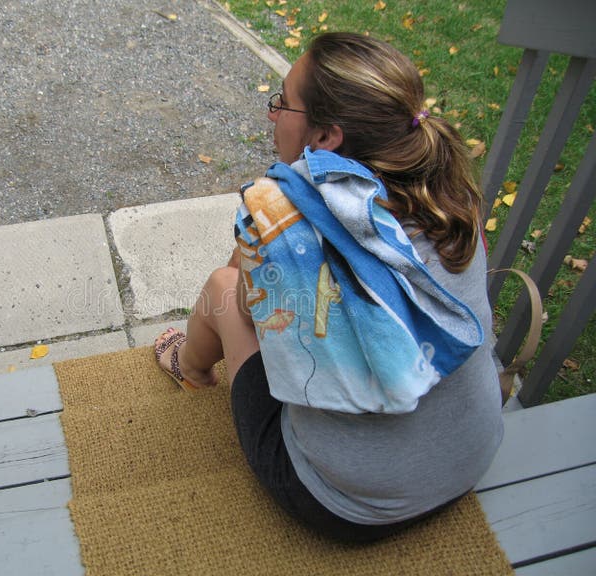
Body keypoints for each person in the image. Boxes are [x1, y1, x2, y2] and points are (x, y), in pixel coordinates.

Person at [154, 32, 503, 542]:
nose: (273, 114)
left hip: (344, 506)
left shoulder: (282, 221)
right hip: (470, 461)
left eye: (283, 102)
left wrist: (261, 233)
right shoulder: (451, 194)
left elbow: (252, 313)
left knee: (223, 288)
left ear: (325, 137)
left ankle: (189, 367)